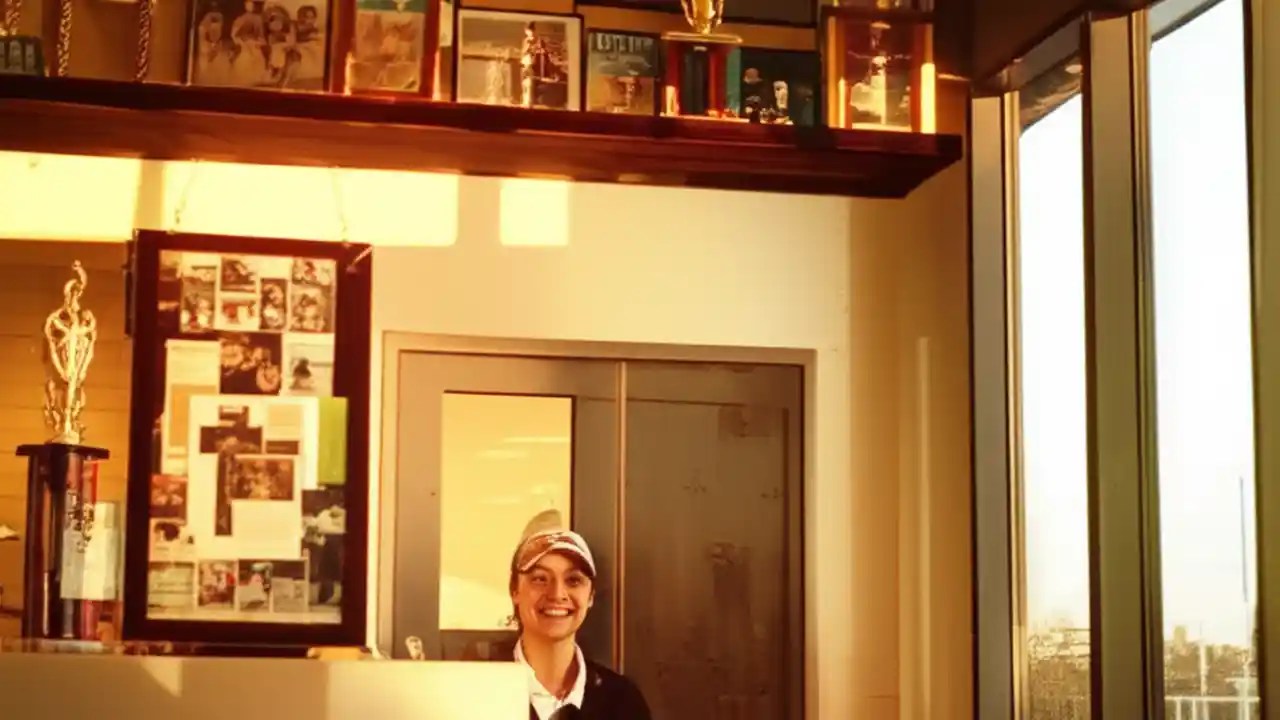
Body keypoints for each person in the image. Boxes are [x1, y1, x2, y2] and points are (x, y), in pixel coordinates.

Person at [507, 527, 651, 720]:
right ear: (514, 591)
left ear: (590, 596)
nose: (557, 594)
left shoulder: (622, 700)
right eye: (540, 579)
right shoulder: (477, 688)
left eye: (573, 580)